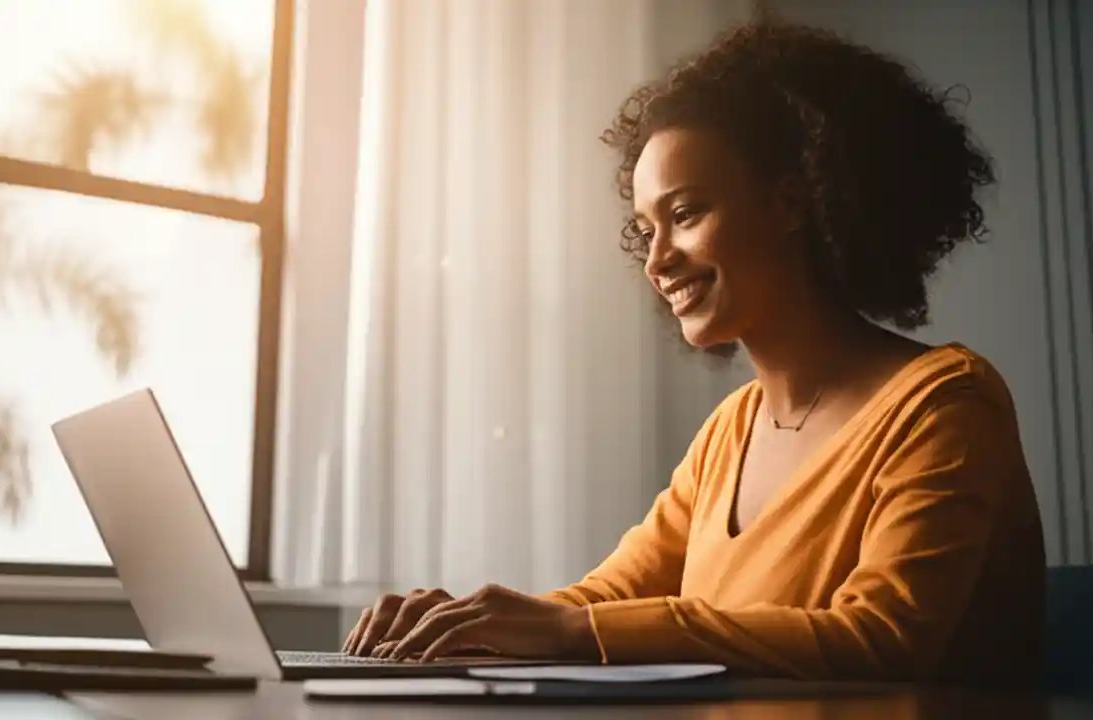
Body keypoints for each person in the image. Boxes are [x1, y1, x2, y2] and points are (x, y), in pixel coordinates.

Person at [340, 17, 1045, 685]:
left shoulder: (944, 403)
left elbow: (882, 639)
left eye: (684, 214)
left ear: (794, 203)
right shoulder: (730, 432)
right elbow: (607, 598)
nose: (656, 261)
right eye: (645, 228)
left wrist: (566, 631)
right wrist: (465, 623)